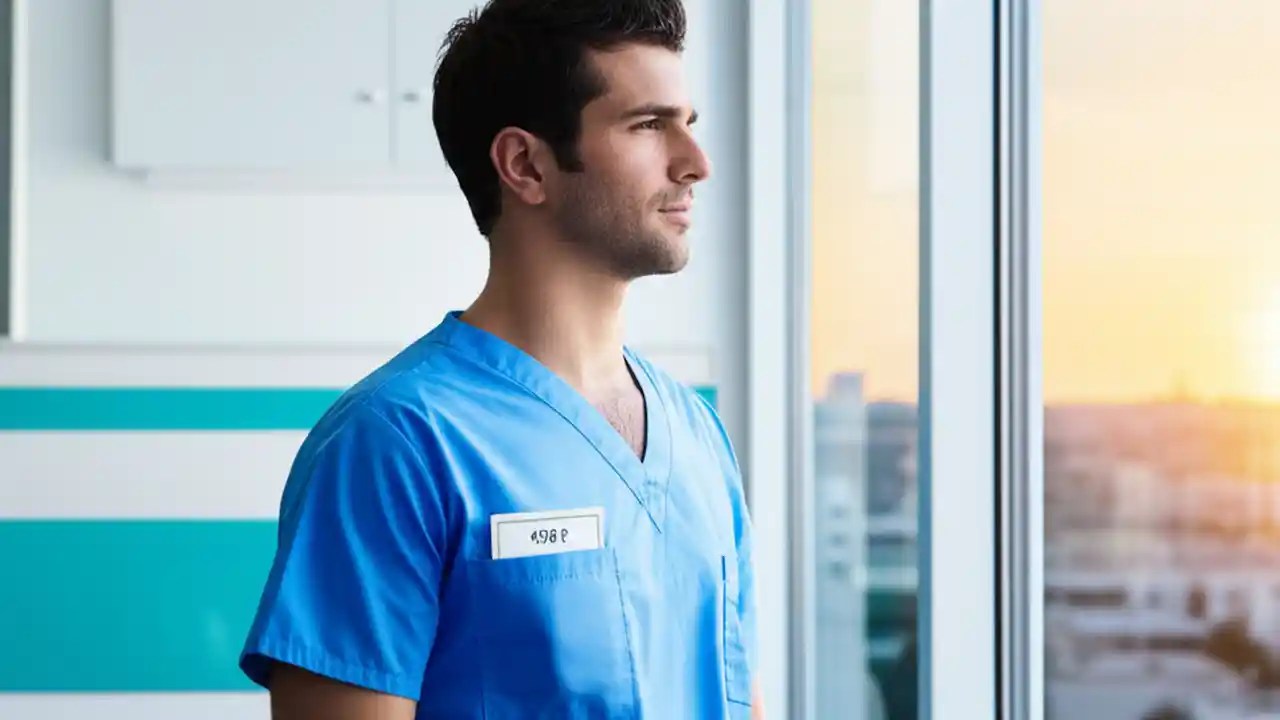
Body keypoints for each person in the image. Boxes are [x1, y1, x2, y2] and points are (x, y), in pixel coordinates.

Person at [238, 1, 761, 717]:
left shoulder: (698, 438)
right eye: (648, 125)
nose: (695, 164)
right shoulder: (397, 445)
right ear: (525, 165)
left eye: (689, 125)